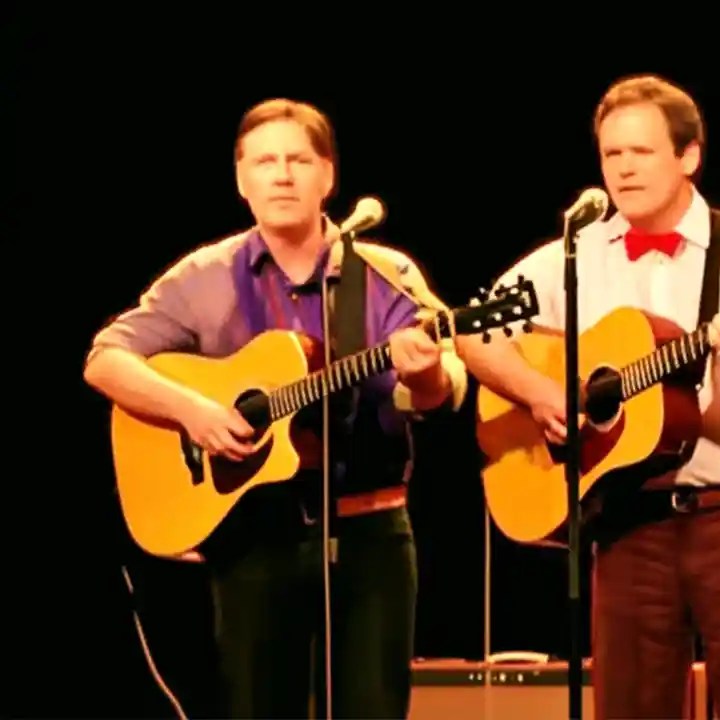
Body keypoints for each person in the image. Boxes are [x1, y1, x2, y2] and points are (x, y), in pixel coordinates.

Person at [83, 98, 468, 718]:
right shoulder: (204, 275)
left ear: (329, 177)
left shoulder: (383, 270)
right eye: (265, 161)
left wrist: (427, 373)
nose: (282, 174)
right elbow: (105, 359)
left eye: (298, 159)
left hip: (370, 533)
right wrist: (192, 411)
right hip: (253, 537)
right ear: (241, 179)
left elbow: (440, 386)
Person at [456, 74, 720, 719]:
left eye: (641, 152)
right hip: (626, 524)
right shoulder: (577, 250)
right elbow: (472, 329)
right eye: (611, 155)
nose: (623, 169)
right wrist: (542, 393)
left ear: (689, 157)